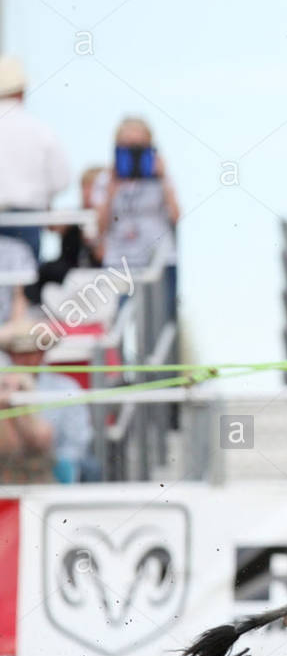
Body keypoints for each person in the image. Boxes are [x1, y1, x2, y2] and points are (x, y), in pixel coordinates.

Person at [96, 116, 181, 316]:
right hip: (120, 261)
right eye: (127, 146)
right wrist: (111, 192)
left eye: (139, 146)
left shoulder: (163, 178)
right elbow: (99, 227)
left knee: (160, 318)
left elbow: (176, 216)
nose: (133, 152)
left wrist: (163, 179)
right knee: (118, 318)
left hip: (158, 260)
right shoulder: (106, 180)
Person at [0, 319, 94, 483]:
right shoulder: (3, 386)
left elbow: (75, 443)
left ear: (42, 353)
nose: (25, 359)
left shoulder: (66, 388)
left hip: (51, 467)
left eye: (31, 352)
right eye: (19, 353)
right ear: (10, 354)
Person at [0, 56, 71, 261]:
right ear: (21, 91)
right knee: (24, 285)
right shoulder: (40, 130)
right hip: (27, 220)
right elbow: (62, 180)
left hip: (26, 218)